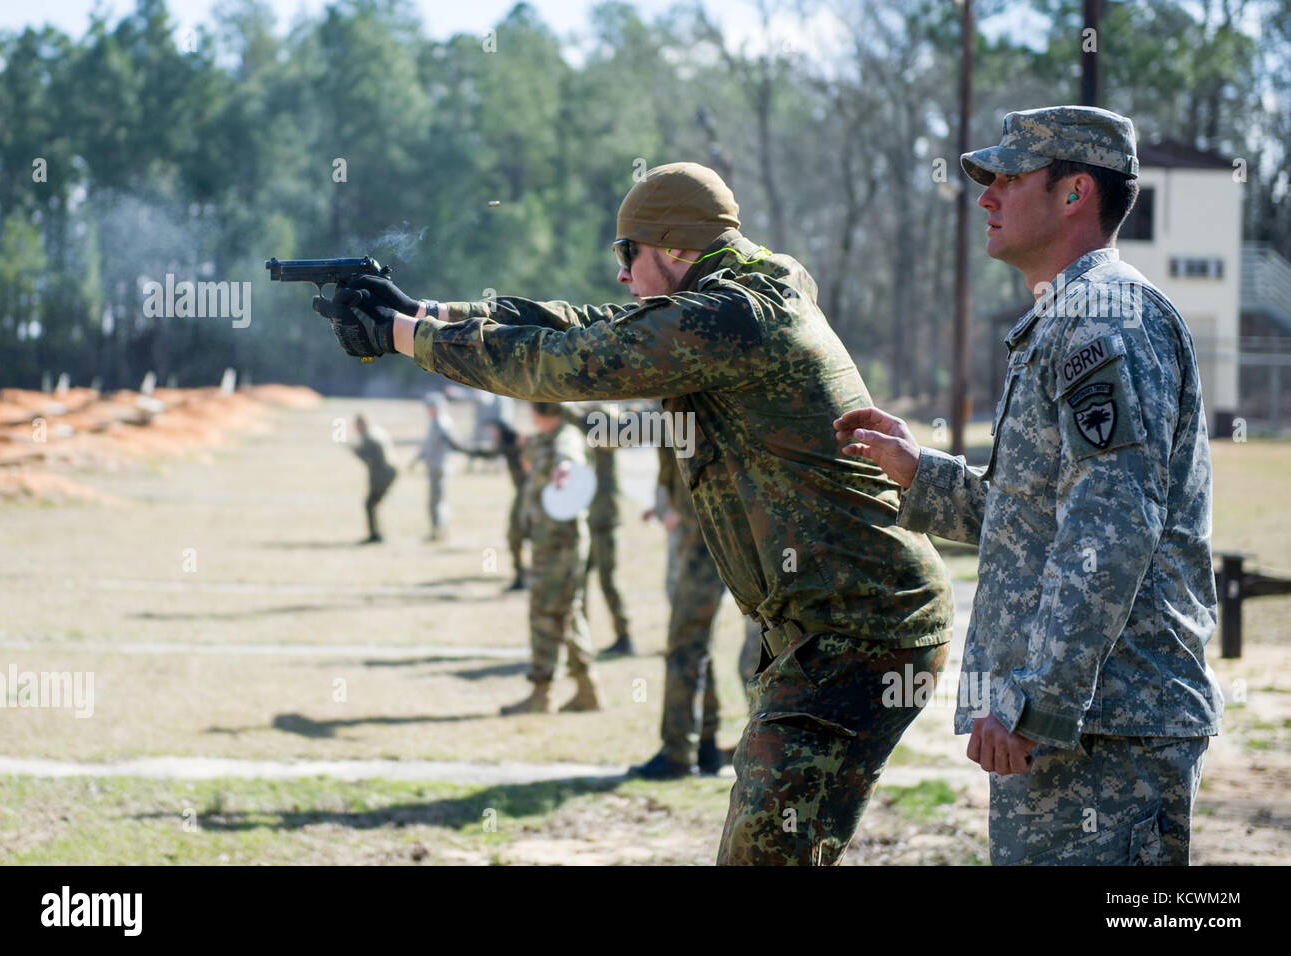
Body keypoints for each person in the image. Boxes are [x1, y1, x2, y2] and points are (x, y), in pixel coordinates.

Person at [313, 161, 954, 865]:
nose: (622, 274)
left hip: (856, 632)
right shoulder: (755, 286)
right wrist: (429, 313)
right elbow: (592, 324)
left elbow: (571, 361)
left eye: (629, 253)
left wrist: (406, 338)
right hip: (839, 625)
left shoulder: (733, 319)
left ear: (677, 247)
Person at [835, 106, 1224, 865]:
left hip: (1106, 723)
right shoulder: (1064, 319)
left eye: (1008, 178)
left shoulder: (1102, 321)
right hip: (1075, 722)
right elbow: (1036, 519)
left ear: (1075, 193)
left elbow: (1110, 528)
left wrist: (1037, 698)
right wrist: (922, 475)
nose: (986, 196)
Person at [629, 444, 727, 778]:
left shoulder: (683, 397)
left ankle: (678, 753)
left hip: (708, 535)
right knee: (694, 639)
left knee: (686, 640)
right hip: (702, 533)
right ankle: (704, 742)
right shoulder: (673, 404)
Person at [497, 401, 600, 715]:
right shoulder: (543, 437)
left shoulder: (565, 438)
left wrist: (565, 468)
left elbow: (568, 460)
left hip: (560, 544)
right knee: (567, 612)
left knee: (545, 612)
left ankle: (542, 694)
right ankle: (588, 690)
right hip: (549, 541)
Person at [558, 401, 633, 656]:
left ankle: (624, 636)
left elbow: (594, 428)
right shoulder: (584, 428)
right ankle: (582, 637)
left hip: (605, 516)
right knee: (578, 579)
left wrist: (564, 405)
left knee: (608, 580)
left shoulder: (604, 428)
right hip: (588, 514)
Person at [446, 416, 530, 589]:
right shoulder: (514, 445)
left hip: (529, 496)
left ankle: (525, 575)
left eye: (494, 432)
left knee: (518, 535)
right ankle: (524, 575)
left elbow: (486, 453)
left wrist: (459, 447)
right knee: (520, 536)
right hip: (527, 495)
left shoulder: (514, 446)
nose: (492, 435)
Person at [412, 393, 455, 541]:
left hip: (440, 467)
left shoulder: (442, 423)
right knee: (434, 501)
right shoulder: (435, 422)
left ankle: (439, 530)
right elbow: (427, 446)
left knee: (437, 501)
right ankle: (437, 529)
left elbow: (452, 443)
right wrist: (416, 460)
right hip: (433, 466)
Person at [350, 413, 398, 543]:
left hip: (382, 473)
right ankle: (376, 533)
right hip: (389, 471)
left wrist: (355, 451)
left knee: (370, 504)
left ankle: (375, 535)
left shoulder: (369, 437)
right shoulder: (376, 432)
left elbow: (369, 459)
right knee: (372, 504)